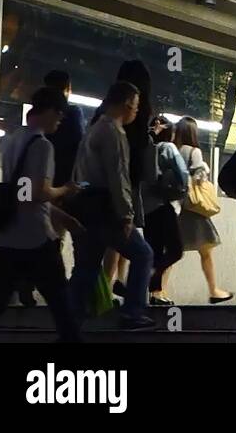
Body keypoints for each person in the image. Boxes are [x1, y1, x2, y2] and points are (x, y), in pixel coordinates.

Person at [0, 87, 84, 343]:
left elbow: (22, 193)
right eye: (59, 115)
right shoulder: (42, 145)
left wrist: (63, 217)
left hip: (8, 237)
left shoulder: (13, 139)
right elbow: (37, 192)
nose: (59, 121)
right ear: (48, 111)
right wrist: (66, 189)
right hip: (36, 238)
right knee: (60, 303)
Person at [68, 81, 155, 330]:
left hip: (85, 206)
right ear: (127, 104)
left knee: (86, 265)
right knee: (143, 254)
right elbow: (118, 178)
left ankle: (71, 318)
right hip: (105, 208)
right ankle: (133, 312)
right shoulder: (114, 132)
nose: (137, 111)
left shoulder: (94, 128)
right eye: (136, 106)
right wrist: (127, 214)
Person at [175, 116, 233, 304]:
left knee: (172, 251)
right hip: (195, 209)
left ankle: (158, 290)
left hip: (179, 207)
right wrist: (205, 171)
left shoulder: (173, 149)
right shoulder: (194, 151)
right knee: (206, 252)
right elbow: (199, 176)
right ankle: (214, 290)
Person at [141, 115, 188, 306]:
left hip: (145, 207)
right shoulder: (168, 148)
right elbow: (182, 173)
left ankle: (155, 293)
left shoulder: (144, 150)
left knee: (155, 249)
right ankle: (150, 271)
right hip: (162, 204)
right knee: (176, 250)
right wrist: (183, 190)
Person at [43, 70, 85, 189]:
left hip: (45, 175)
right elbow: (79, 144)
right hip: (66, 176)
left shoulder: (41, 115)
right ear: (67, 89)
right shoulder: (73, 112)